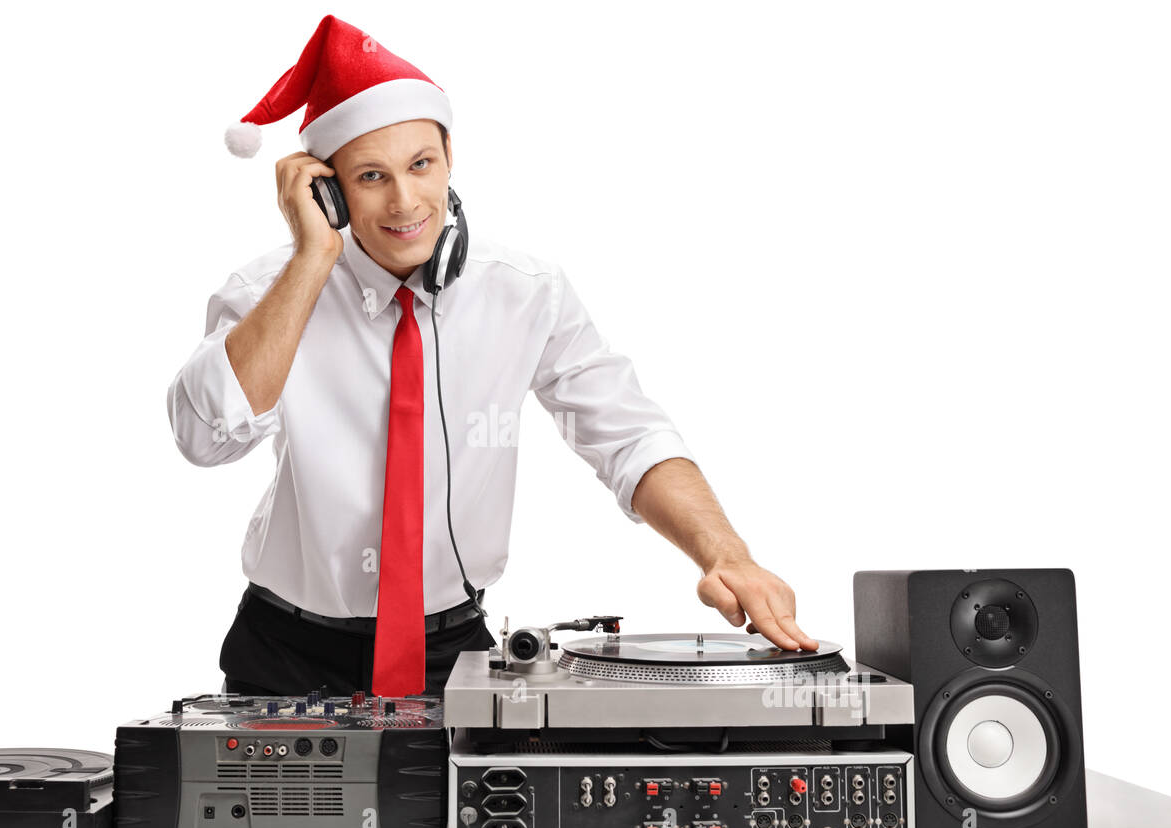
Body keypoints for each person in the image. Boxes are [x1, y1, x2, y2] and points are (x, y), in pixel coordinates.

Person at [167, 15, 816, 699]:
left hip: (454, 651)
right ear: (325, 188)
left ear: (450, 154)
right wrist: (308, 262)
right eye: (369, 177)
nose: (405, 201)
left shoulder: (525, 291)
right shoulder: (266, 293)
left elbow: (626, 434)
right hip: (286, 652)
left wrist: (728, 555)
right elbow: (203, 439)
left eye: (421, 165)